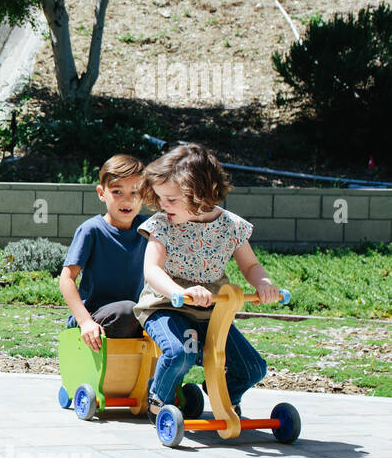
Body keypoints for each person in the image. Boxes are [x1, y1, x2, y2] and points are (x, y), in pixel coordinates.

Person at [132, 143, 279, 422]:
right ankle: (158, 401)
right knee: (179, 355)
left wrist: (263, 283)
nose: (164, 205)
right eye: (161, 198)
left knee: (252, 368)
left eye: (172, 199)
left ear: (201, 194)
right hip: (166, 307)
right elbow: (152, 270)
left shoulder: (231, 226)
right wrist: (180, 291)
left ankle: (225, 394)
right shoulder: (162, 225)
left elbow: (250, 265)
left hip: (211, 311)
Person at [59, 154, 148, 352]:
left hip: (134, 315)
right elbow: (67, 279)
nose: (127, 200)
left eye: (135, 192)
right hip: (96, 316)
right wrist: (85, 321)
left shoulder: (150, 229)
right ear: (102, 193)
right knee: (128, 311)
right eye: (117, 191)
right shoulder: (91, 230)